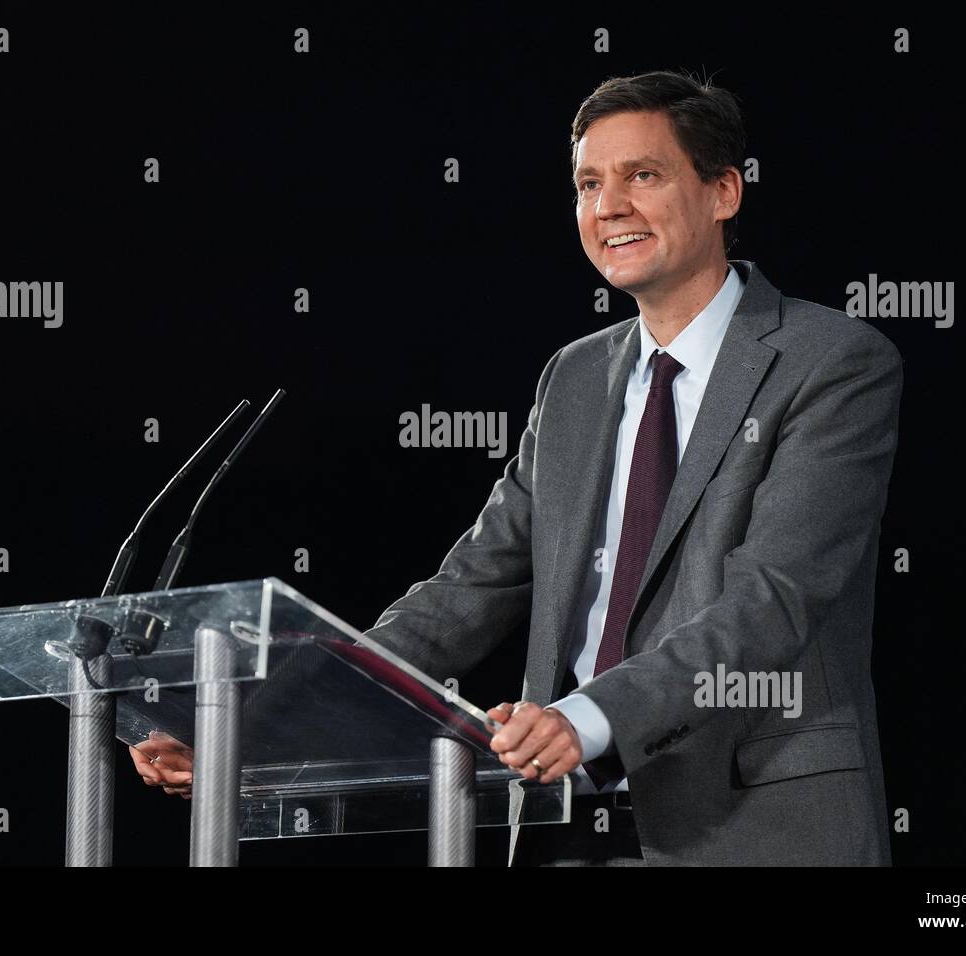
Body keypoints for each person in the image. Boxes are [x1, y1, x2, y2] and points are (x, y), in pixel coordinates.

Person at [134, 68, 903, 868]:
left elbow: (771, 599)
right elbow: (468, 589)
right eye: (588, 183)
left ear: (723, 192)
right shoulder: (572, 378)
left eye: (643, 175)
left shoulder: (832, 363)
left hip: (760, 826)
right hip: (565, 826)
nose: (609, 206)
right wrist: (256, 728)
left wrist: (588, 715)